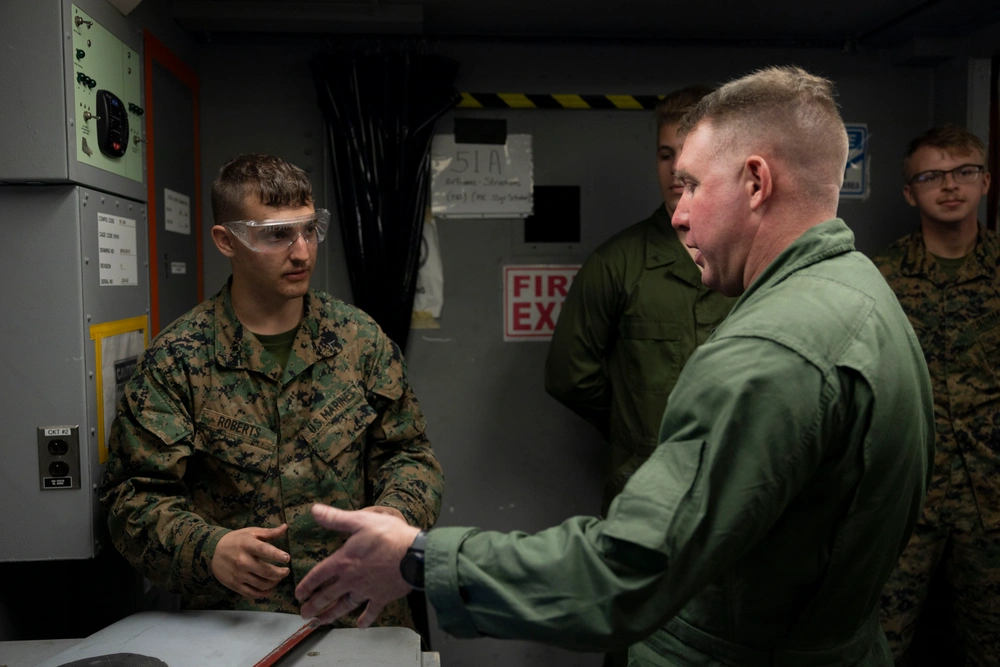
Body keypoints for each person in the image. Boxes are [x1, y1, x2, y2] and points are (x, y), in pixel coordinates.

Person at [293, 67, 934, 666]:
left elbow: (624, 575)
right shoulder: (866, 295)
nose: (679, 213)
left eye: (693, 185)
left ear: (756, 182)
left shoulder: (770, 350)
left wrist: (420, 560)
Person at [99, 153, 444, 630]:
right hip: (238, 626)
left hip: (360, 619)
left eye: (309, 230)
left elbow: (409, 455)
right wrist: (209, 549)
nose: (302, 253)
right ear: (227, 240)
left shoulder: (358, 340)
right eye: (278, 234)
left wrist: (395, 514)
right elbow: (133, 499)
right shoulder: (179, 359)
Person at [545, 86, 736, 520]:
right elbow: (569, 376)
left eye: (688, 154)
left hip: (734, 491)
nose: (675, 169)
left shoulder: (753, 261)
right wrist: (632, 428)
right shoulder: (619, 263)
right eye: (665, 154)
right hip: (646, 493)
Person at [873, 125, 999, 665]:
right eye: (931, 176)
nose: (949, 186)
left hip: (992, 497)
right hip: (907, 493)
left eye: (963, 171)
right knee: (880, 639)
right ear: (909, 192)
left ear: (985, 181)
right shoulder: (881, 277)